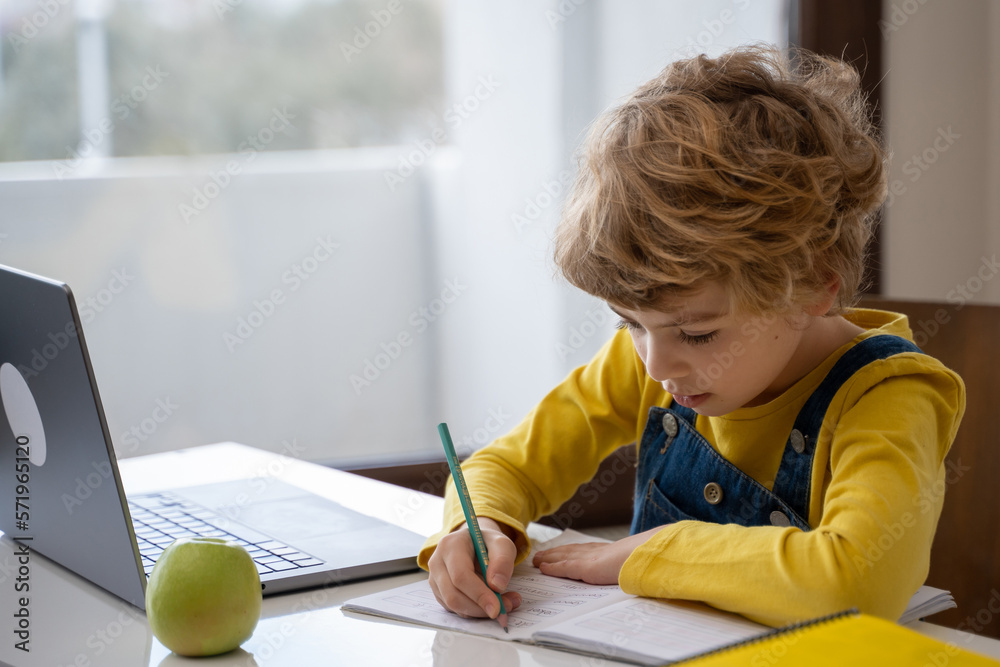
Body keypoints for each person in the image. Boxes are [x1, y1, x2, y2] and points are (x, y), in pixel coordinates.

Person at [419, 44, 966, 628]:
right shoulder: (656, 358)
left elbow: (858, 578)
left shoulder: (888, 397)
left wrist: (650, 552)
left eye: (699, 334)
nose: (656, 365)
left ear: (813, 287)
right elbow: (509, 466)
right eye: (630, 323)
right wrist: (478, 525)